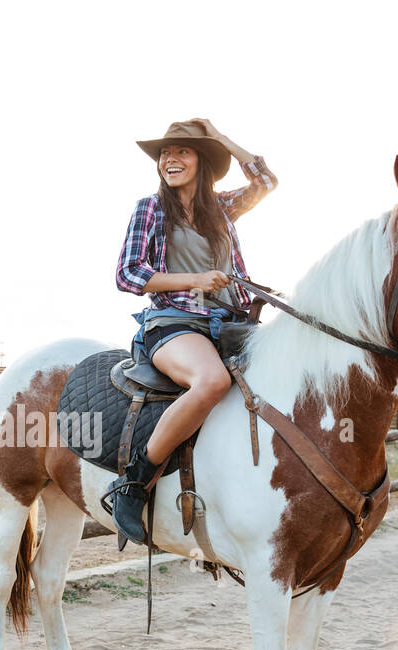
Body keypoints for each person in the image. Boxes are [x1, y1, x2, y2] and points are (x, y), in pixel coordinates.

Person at [103, 118, 277, 546]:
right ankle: (133, 483)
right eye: (165, 152)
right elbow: (128, 274)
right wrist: (195, 279)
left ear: (203, 161)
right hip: (175, 322)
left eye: (183, 151)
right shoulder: (150, 209)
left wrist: (217, 138)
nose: (170, 159)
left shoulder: (220, 209)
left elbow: (265, 180)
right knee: (212, 381)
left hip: (233, 323)